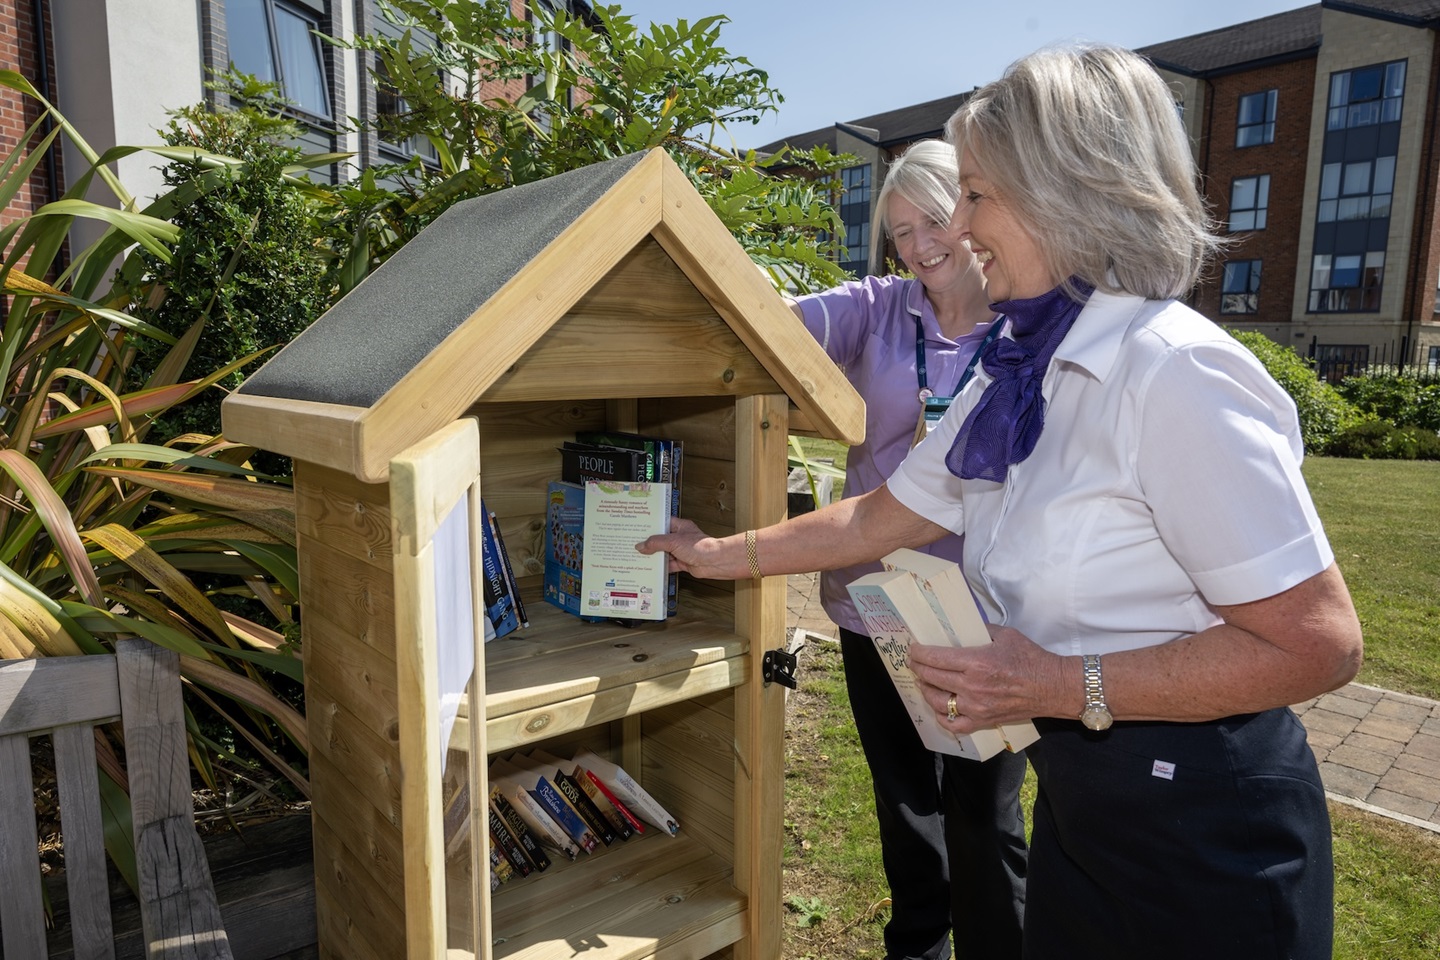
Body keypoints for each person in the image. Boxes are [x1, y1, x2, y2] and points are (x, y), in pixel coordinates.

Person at [642, 43, 1363, 960]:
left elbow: (1318, 643)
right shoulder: (1023, 371)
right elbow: (878, 518)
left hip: (1203, 833)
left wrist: (1059, 685)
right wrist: (717, 556)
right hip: (1083, 807)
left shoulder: (1173, 371)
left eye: (977, 194)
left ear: (1066, 186)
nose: (960, 223)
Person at [786, 139, 1025, 960]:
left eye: (933, 220)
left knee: (984, 810)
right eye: (900, 233)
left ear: (969, 211)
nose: (921, 246)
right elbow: (767, 327)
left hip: (985, 614)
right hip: (876, 597)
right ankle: (917, 947)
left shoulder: (1024, 319)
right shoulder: (880, 309)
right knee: (906, 803)